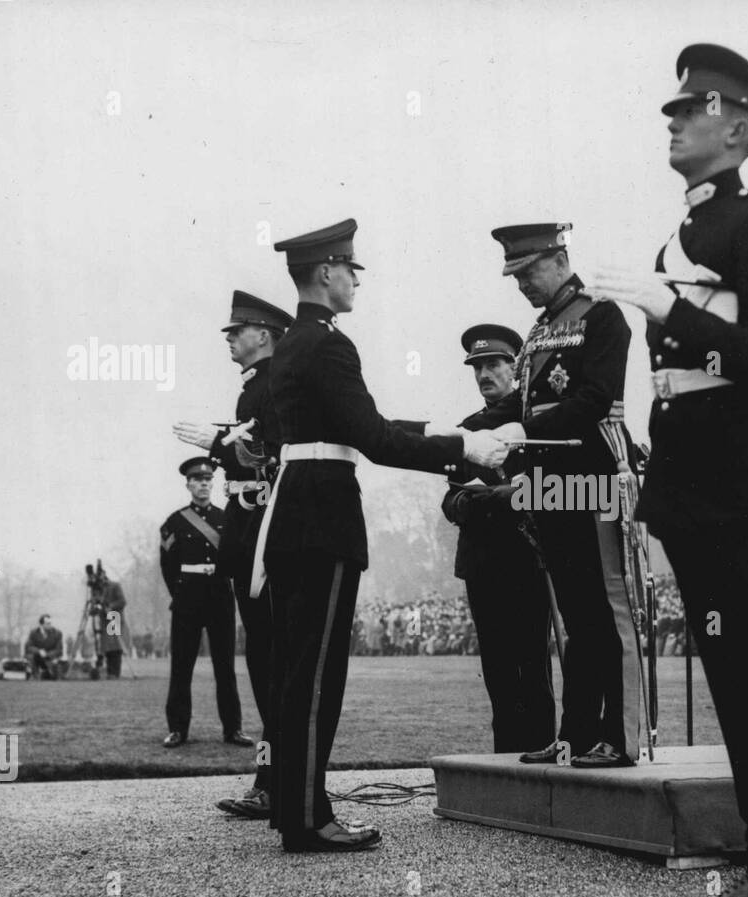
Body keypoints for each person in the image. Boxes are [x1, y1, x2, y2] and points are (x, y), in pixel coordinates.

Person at [591, 43, 748, 897]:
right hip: (691, 479)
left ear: (737, 129)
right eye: (673, 108)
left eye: (689, 109)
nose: (673, 119)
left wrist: (669, 310)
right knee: (735, 689)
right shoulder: (679, 233)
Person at [255, 216, 506, 853]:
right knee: (316, 677)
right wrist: (466, 451)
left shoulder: (291, 344)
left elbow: (362, 420)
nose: (356, 280)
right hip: (323, 517)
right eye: (350, 268)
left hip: (292, 515)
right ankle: (309, 820)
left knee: (295, 671)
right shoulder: (331, 345)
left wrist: (447, 432)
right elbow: (373, 439)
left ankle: (295, 808)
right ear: (325, 272)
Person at [487, 221, 646, 769]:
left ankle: (621, 737)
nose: (523, 284)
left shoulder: (601, 315)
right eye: (517, 275)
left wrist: (524, 433)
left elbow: (597, 397)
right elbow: (523, 406)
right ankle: (575, 734)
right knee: (576, 616)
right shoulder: (538, 330)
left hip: (594, 473)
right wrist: (465, 431)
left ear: (559, 259)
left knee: (607, 608)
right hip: (549, 479)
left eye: (529, 271)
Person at [175, 290, 294, 818]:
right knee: (263, 663)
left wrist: (220, 445)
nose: (229, 338)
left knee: (274, 664)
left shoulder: (277, 386)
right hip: (248, 530)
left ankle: (280, 782)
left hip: (270, 529)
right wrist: (226, 439)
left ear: (263, 334)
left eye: (236, 330)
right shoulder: (252, 390)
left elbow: (273, 455)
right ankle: (271, 779)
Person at [440, 323, 556, 753]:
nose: (484, 374)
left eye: (494, 365)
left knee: (533, 665)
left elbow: (554, 490)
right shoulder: (465, 431)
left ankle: (542, 762)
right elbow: (450, 500)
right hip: (483, 560)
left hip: (528, 556)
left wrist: (500, 496)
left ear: (516, 369)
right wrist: (472, 503)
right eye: (478, 367)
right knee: (498, 671)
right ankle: (506, 765)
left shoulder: (535, 422)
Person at [159, 456, 251, 748]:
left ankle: (233, 730)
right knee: (181, 667)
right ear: (188, 484)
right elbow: (168, 565)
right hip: (187, 599)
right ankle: (177, 729)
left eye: (208, 479)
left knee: (225, 668)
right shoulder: (174, 521)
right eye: (198, 480)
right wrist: (181, 594)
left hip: (220, 597)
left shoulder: (227, 519)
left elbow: (237, 558)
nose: (204, 484)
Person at [93, 570, 127, 677]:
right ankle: (110, 672)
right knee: (107, 647)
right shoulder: (98, 590)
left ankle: (115, 673)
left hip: (114, 617)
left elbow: (122, 601)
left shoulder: (115, 586)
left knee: (115, 647)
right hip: (104, 620)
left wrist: (111, 606)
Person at [25, 615, 63, 679]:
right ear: (41, 624)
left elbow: (59, 650)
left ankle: (50, 674)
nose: (50, 625)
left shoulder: (58, 633)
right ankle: (36, 677)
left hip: (50, 658)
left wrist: (47, 654)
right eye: (48, 623)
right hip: (37, 657)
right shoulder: (33, 633)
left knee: (53, 673)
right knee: (31, 657)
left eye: (50, 623)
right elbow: (29, 647)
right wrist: (39, 651)